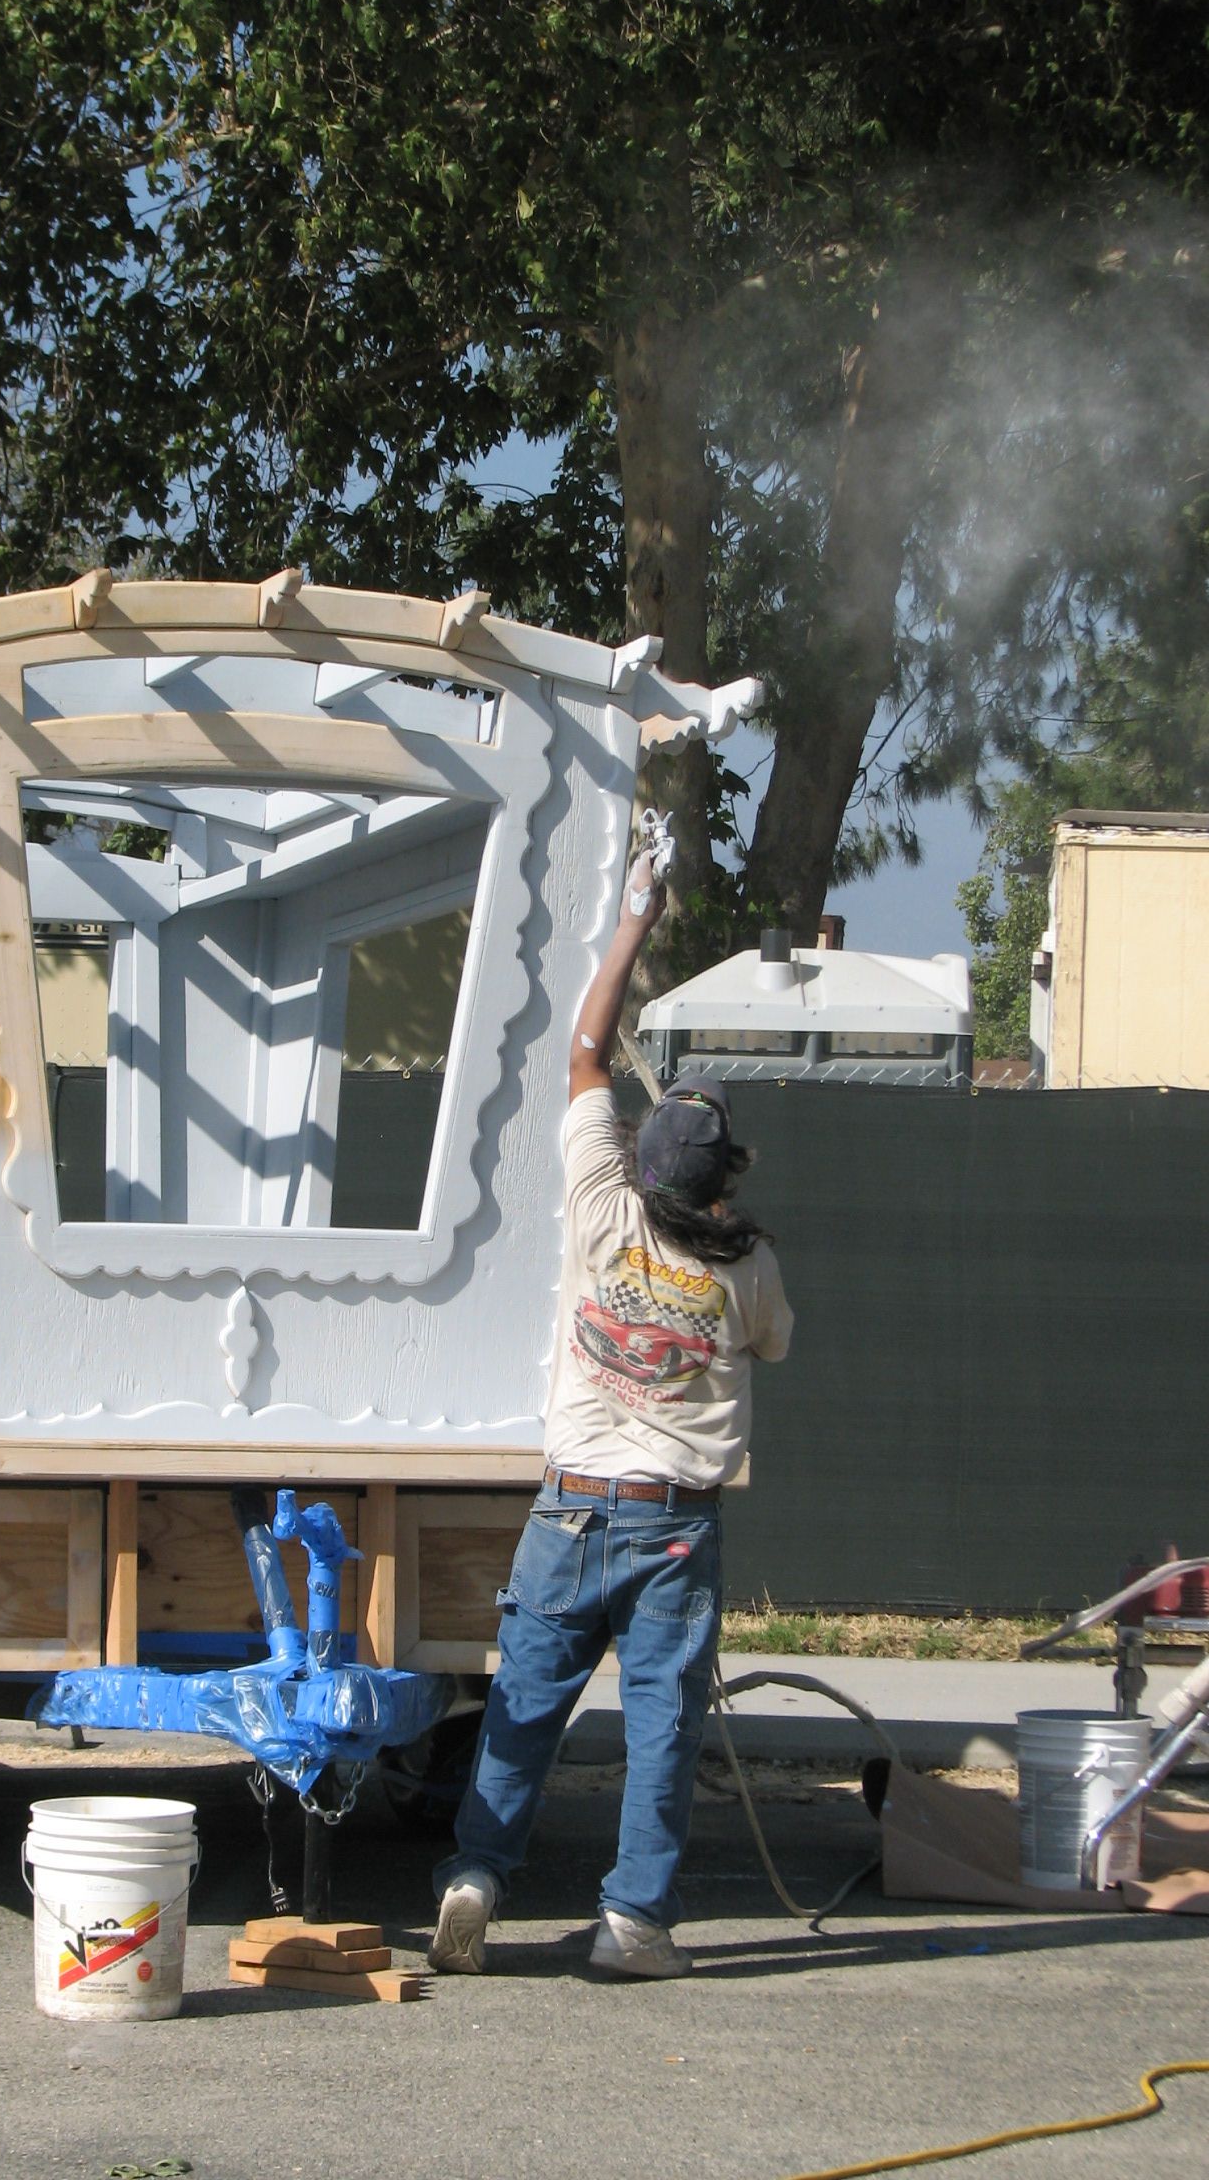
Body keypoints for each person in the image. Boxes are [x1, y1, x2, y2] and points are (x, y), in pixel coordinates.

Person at [429, 835, 793, 1978]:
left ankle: (474, 1876)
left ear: (641, 1163)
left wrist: (636, 907)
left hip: (571, 1508)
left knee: (523, 1710)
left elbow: (588, 1048)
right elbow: (772, 1348)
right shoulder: (749, 1266)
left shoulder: (597, 1201)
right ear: (722, 1176)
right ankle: (634, 1923)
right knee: (661, 1729)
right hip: (675, 1524)